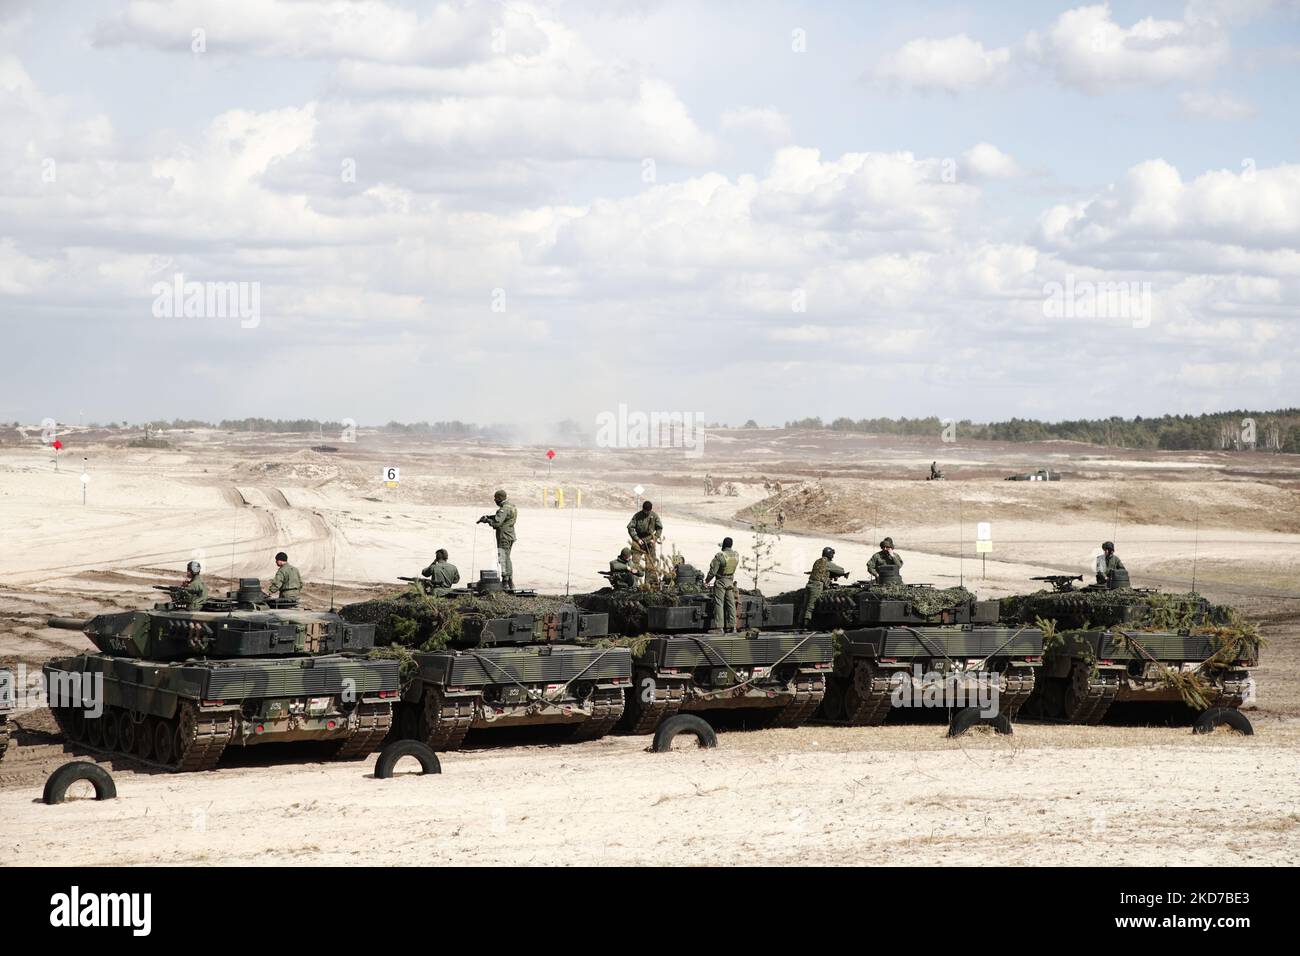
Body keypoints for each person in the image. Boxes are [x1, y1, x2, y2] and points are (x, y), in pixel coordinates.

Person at [478, 490, 518, 590]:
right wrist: (489, 517)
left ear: (500, 498)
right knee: (507, 557)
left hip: (503, 536)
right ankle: (510, 581)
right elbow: (503, 518)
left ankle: (506, 581)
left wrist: (487, 520)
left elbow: (497, 523)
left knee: (503, 558)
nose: (494, 500)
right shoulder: (511, 506)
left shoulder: (503, 509)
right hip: (510, 535)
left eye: (495, 498)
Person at [803, 546, 847, 625]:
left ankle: (800, 623)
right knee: (811, 607)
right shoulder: (827, 563)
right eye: (832, 554)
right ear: (829, 555)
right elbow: (841, 570)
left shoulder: (817, 561)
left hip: (809, 584)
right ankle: (805, 625)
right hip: (816, 586)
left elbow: (820, 572)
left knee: (804, 606)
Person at [705, 537, 739, 633]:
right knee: (731, 604)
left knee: (719, 603)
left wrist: (707, 581)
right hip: (730, 581)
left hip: (721, 581)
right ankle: (733, 627)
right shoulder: (736, 555)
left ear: (723, 545)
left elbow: (713, 572)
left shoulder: (720, 556)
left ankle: (719, 628)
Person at [627, 500, 664, 587]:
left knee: (650, 563)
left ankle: (649, 585)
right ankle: (633, 584)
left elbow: (659, 528)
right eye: (645, 511)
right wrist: (637, 539)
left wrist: (654, 538)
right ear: (643, 509)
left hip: (650, 540)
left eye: (648, 511)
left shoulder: (654, 516)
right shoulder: (637, 516)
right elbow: (630, 527)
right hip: (638, 541)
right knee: (635, 562)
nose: (646, 512)